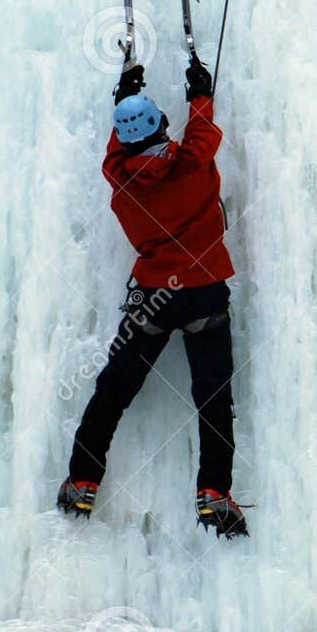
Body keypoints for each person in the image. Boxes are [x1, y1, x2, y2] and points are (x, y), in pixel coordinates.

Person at [56, 55, 247, 537]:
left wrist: (124, 97)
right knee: (213, 399)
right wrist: (199, 93)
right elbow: (203, 134)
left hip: (154, 300)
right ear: (163, 125)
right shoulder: (192, 164)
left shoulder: (121, 182)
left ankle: (82, 482)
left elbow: (116, 155)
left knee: (113, 393)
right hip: (204, 292)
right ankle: (213, 494)